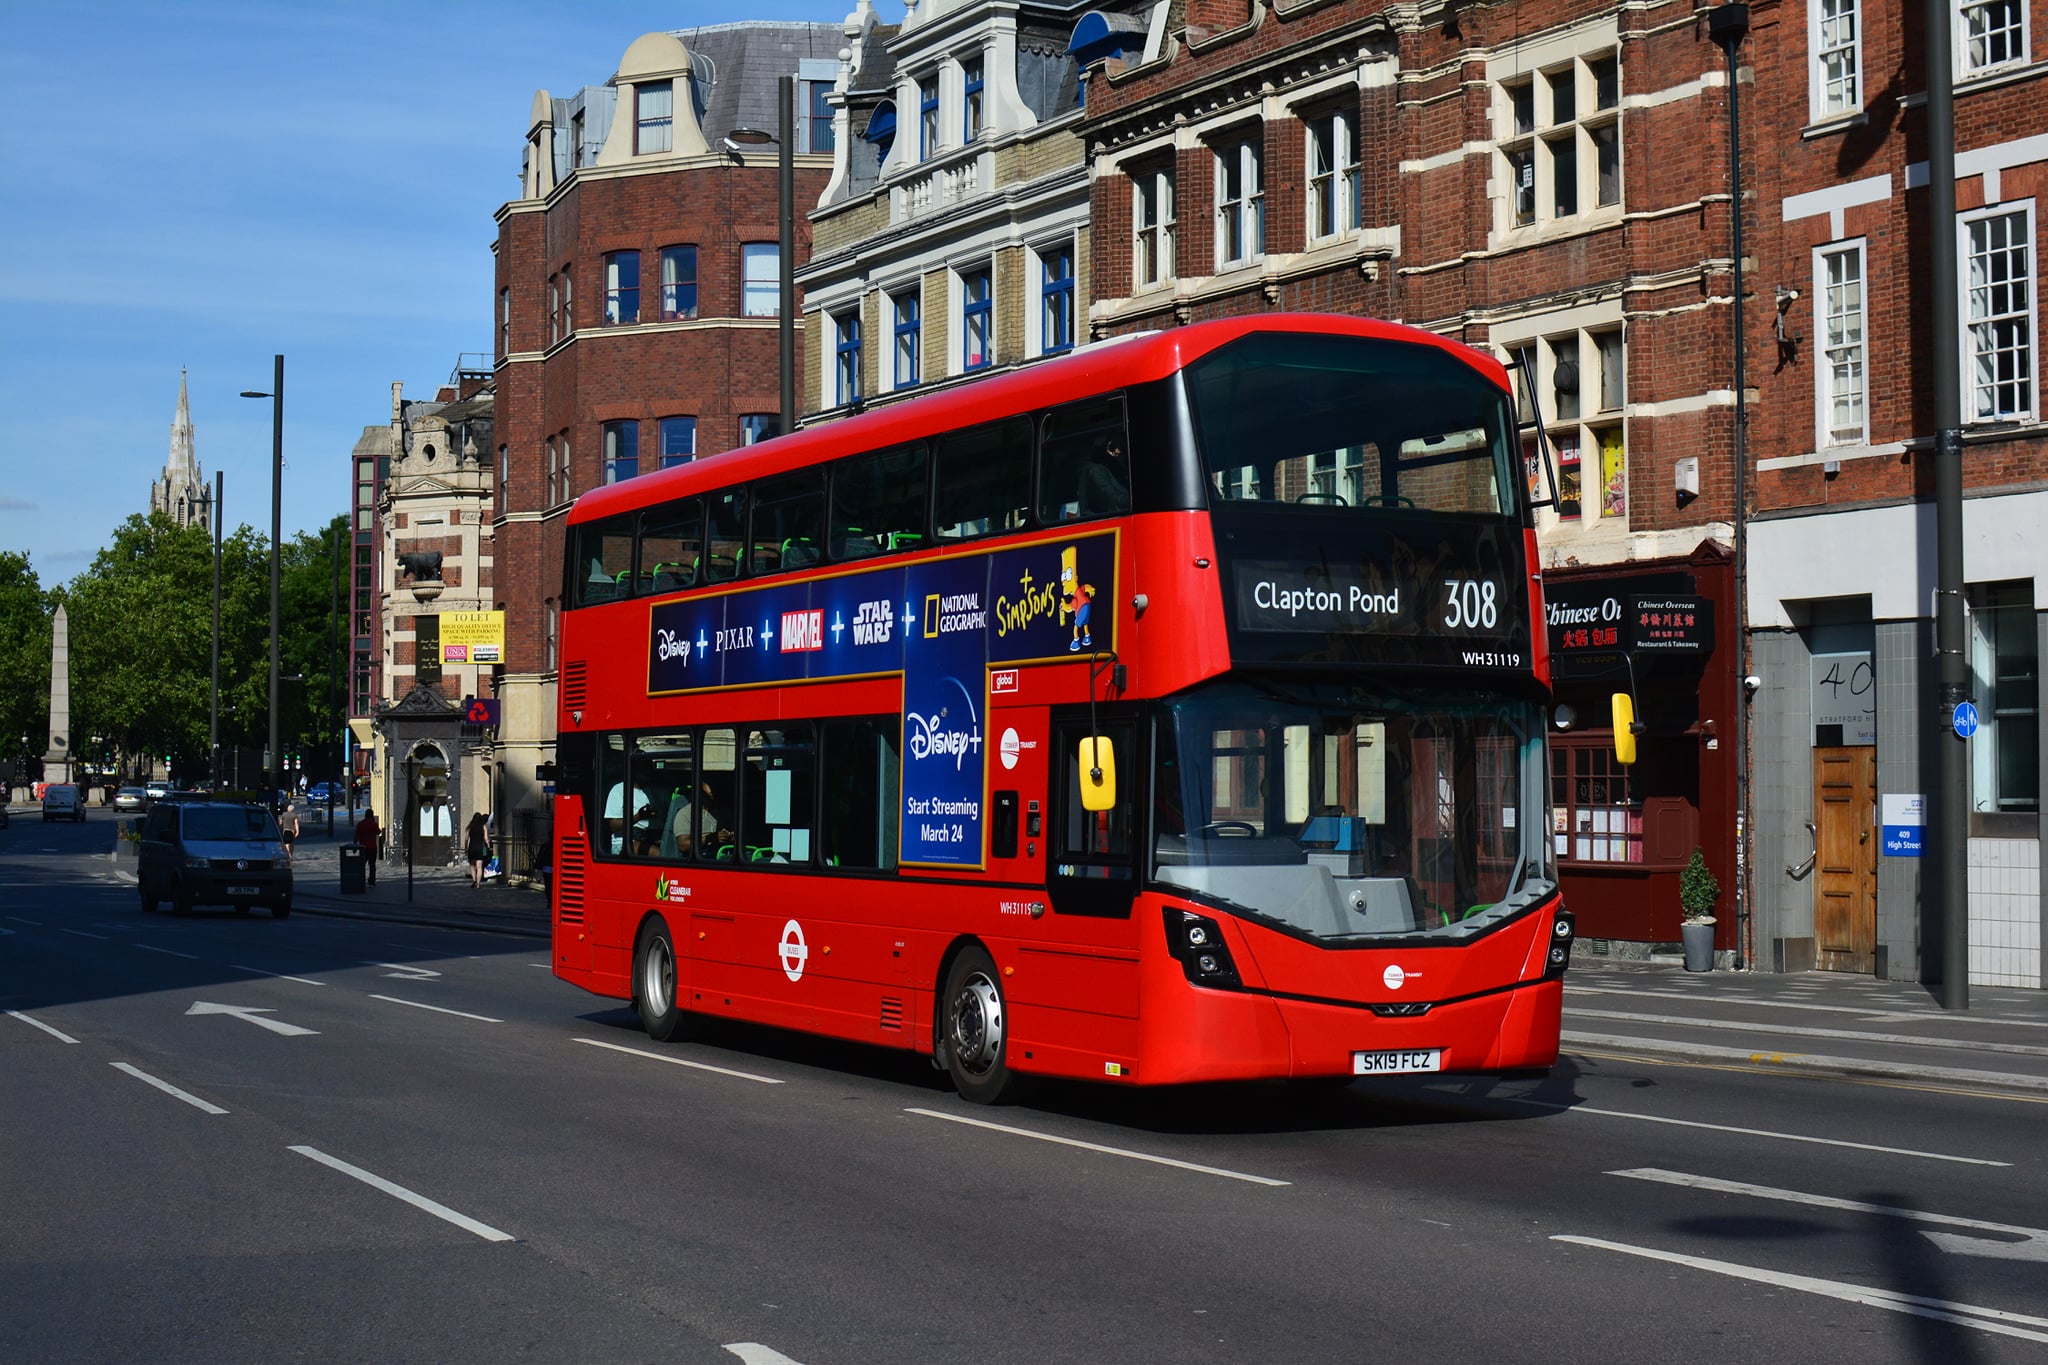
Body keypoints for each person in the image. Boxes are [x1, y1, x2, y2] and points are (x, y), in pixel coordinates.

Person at [1076, 434, 1130, 517]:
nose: (1118, 451)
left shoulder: (1112, 466)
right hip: (1104, 517)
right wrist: (1127, 499)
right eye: (1112, 447)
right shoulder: (1096, 470)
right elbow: (1109, 493)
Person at [465, 810, 493, 889]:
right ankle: (478, 883)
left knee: (472, 865)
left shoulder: (470, 826)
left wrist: (466, 847)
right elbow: (486, 838)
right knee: (479, 866)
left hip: (472, 847)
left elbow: (466, 838)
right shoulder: (483, 827)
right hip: (479, 847)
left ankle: (474, 880)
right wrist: (488, 846)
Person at [354, 807, 382, 886]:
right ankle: (371, 882)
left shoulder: (361, 824)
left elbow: (356, 835)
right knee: (372, 865)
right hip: (372, 847)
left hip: (363, 847)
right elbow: (379, 832)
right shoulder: (374, 824)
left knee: (362, 865)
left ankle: (360, 880)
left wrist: (355, 844)